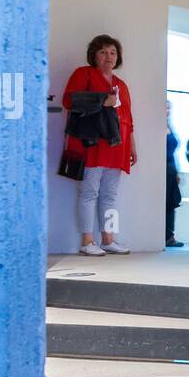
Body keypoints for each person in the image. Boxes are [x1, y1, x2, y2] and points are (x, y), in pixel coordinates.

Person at [63, 35, 135, 255]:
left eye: (113, 52)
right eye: (103, 52)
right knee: (89, 193)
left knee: (110, 196)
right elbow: (69, 100)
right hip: (92, 145)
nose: (109, 56)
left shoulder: (121, 84)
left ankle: (108, 239)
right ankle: (87, 242)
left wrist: (132, 146)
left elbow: (128, 119)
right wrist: (103, 100)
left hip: (117, 147)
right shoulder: (84, 73)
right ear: (94, 54)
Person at [165, 101, 183, 248]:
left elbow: (172, 152)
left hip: (170, 169)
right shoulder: (156, 125)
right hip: (161, 169)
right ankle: (162, 235)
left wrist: (176, 171)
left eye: (169, 108)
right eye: (165, 107)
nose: (168, 111)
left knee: (171, 202)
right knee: (164, 203)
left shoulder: (169, 125)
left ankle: (169, 236)